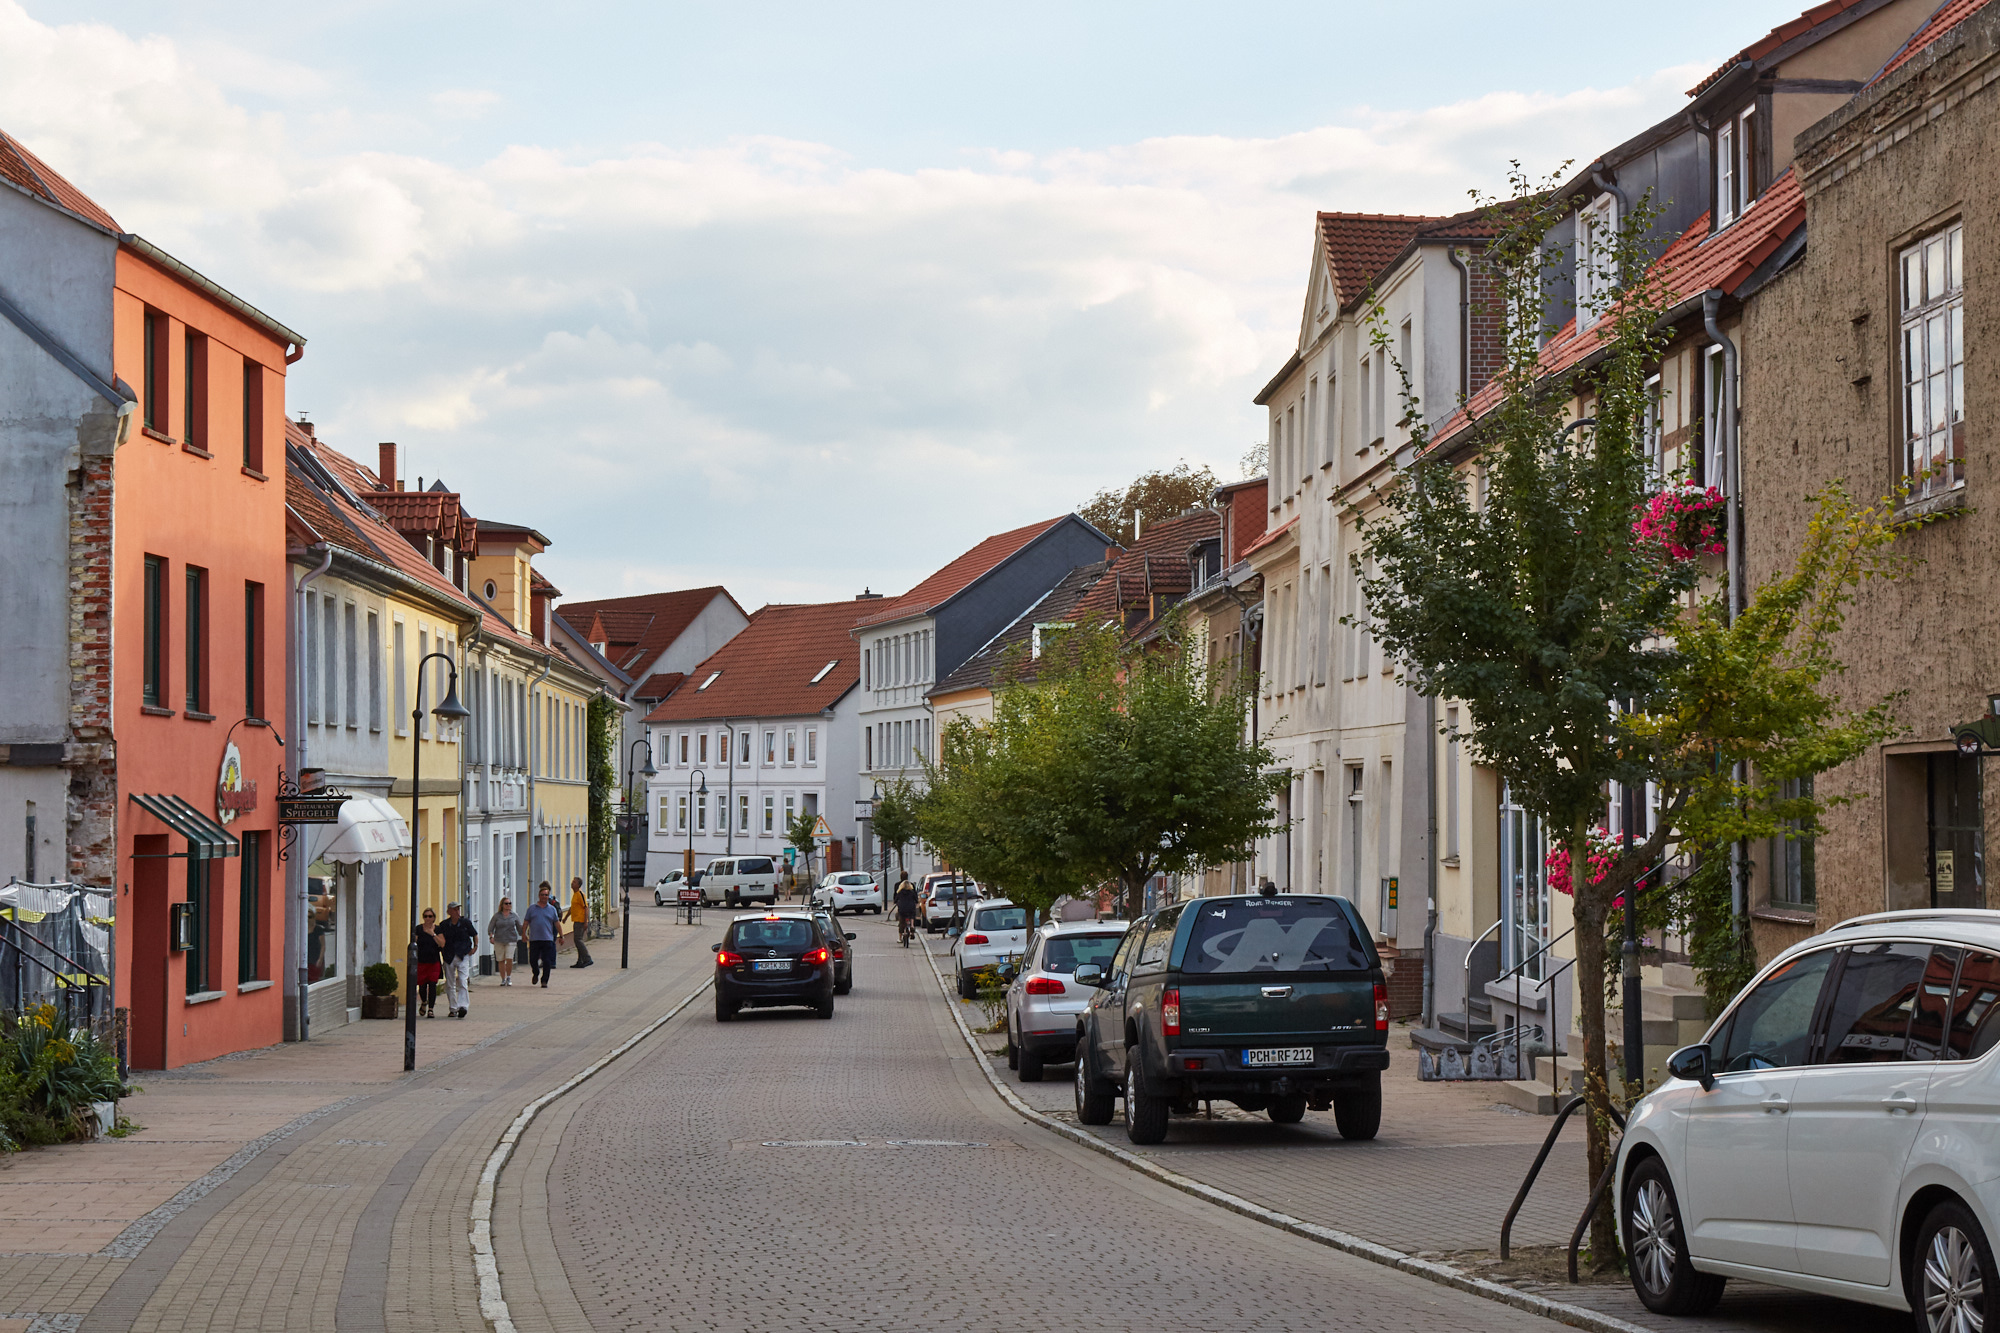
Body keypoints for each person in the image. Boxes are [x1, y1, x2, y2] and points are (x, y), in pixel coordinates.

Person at [438, 902, 479, 1018]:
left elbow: (474, 934)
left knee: (463, 980)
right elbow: (441, 939)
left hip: (463, 954)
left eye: (458, 909)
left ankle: (463, 1006)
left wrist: (475, 946)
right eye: (454, 910)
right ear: (449, 912)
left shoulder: (465, 923)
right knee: (450, 984)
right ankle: (453, 1008)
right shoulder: (444, 925)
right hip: (449, 955)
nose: (457, 912)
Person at [524, 884, 561, 987]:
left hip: (547, 938)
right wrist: (523, 934)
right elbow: (526, 922)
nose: (544, 897)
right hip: (534, 938)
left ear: (548, 896)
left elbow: (557, 923)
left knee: (546, 961)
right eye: (542, 895)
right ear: (539, 896)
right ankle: (536, 973)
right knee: (533, 959)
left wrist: (561, 936)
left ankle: (544, 981)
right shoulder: (532, 908)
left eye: (546, 895)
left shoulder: (552, 909)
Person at [413, 908, 445, 1017]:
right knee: (422, 986)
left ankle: (431, 1009)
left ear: (434, 918)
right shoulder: (418, 929)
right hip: (421, 961)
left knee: (432, 985)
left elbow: (442, 944)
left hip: (434, 961)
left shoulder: (438, 929)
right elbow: (414, 943)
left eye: (430, 916)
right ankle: (424, 1002)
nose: (427, 918)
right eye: (425, 916)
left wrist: (433, 934)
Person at [487, 897, 523, 987]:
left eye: (509, 903)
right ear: (502, 905)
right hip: (499, 940)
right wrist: (491, 936)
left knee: (509, 958)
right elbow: (490, 927)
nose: (508, 905)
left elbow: (519, 927)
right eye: (506, 903)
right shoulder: (497, 916)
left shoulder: (514, 915)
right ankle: (503, 978)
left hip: (511, 939)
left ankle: (509, 977)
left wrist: (524, 934)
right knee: (501, 960)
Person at [566, 876, 595, 969]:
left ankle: (587, 958)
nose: (572, 883)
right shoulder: (575, 895)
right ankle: (580, 961)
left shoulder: (580, 894)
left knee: (578, 940)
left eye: (574, 882)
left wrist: (586, 921)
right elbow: (572, 908)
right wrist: (565, 917)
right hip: (576, 920)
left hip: (580, 921)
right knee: (578, 940)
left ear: (578, 885)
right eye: (572, 881)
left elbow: (586, 908)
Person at [893, 875, 919, 946]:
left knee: (901, 920)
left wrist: (896, 902)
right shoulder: (912, 892)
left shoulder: (900, 892)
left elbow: (895, 900)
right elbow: (916, 900)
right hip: (911, 908)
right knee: (912, 915)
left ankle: (900, 937)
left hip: (902, 908)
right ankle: (912, 926)